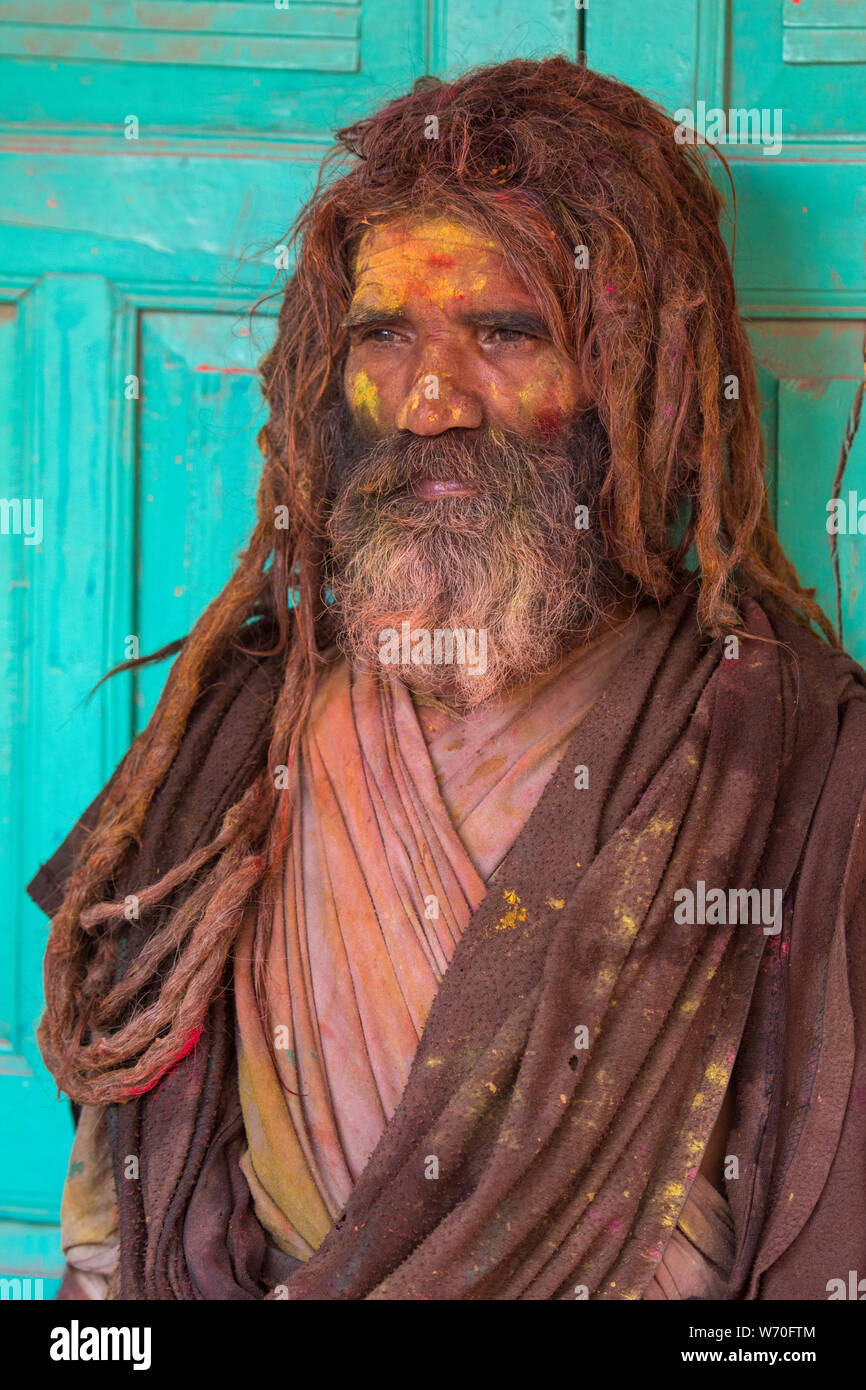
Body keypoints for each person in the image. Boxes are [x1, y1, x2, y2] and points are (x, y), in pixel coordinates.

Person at [29, 56, 866, 1301]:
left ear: (635, 377)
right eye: (385, 336)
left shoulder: (787, 762)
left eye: (504, 334)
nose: (428, 402)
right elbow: (117, 1211)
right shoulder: (240, 731)